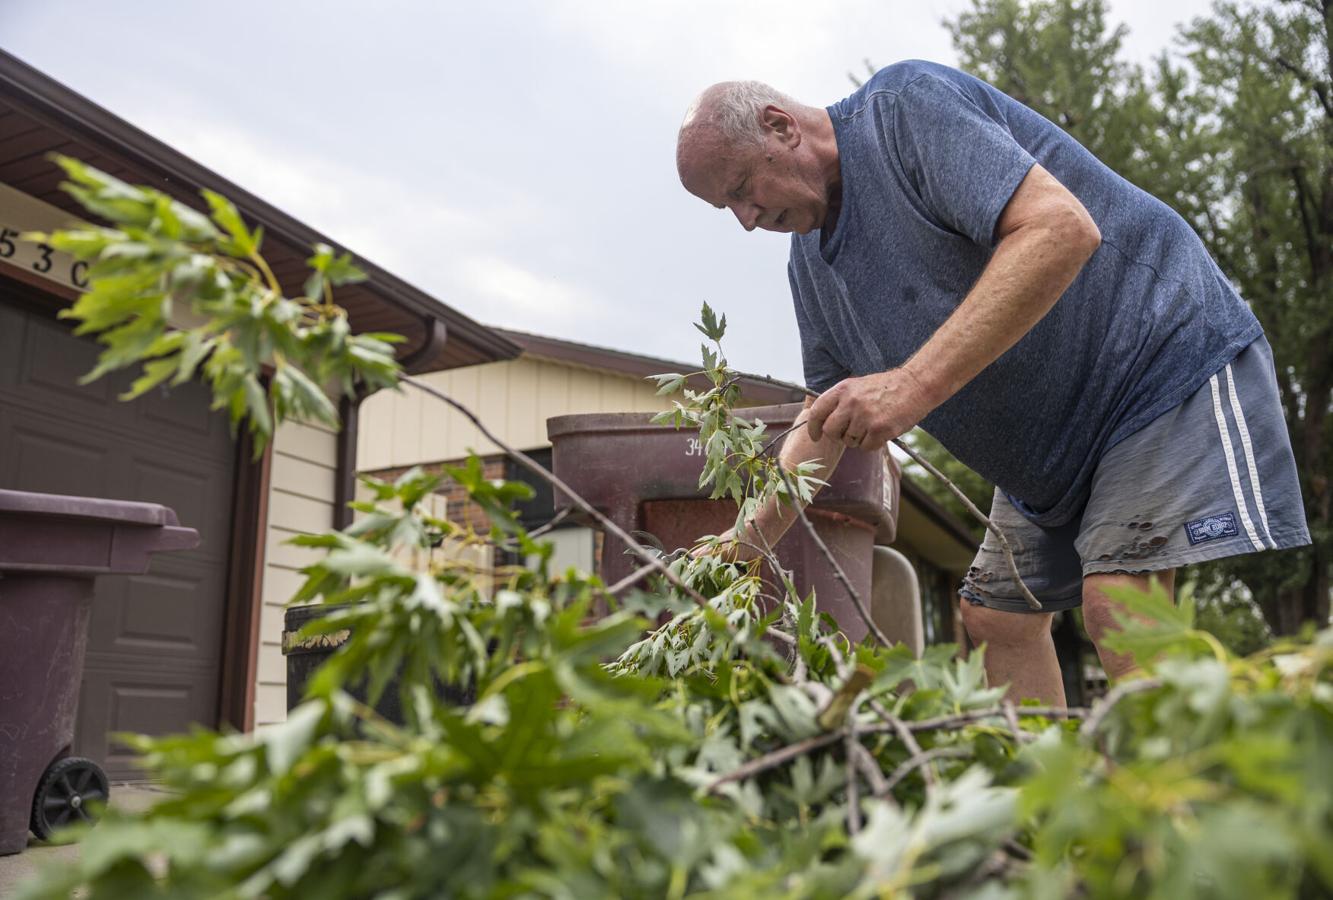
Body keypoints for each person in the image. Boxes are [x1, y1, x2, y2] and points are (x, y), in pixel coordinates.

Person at [675, 60, 1310, 706]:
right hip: (1049, 448)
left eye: (741, 189)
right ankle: (1045, 801)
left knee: (1119, 602)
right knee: (996, 619)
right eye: (727, 208)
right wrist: (745, 542)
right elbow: (823, 415)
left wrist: (908, 387)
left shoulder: (904, 113)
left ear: (780, 127)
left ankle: (1173, 802)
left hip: (1146, 361)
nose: (746, 220)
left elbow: (1061, 228)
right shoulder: (810, 267)